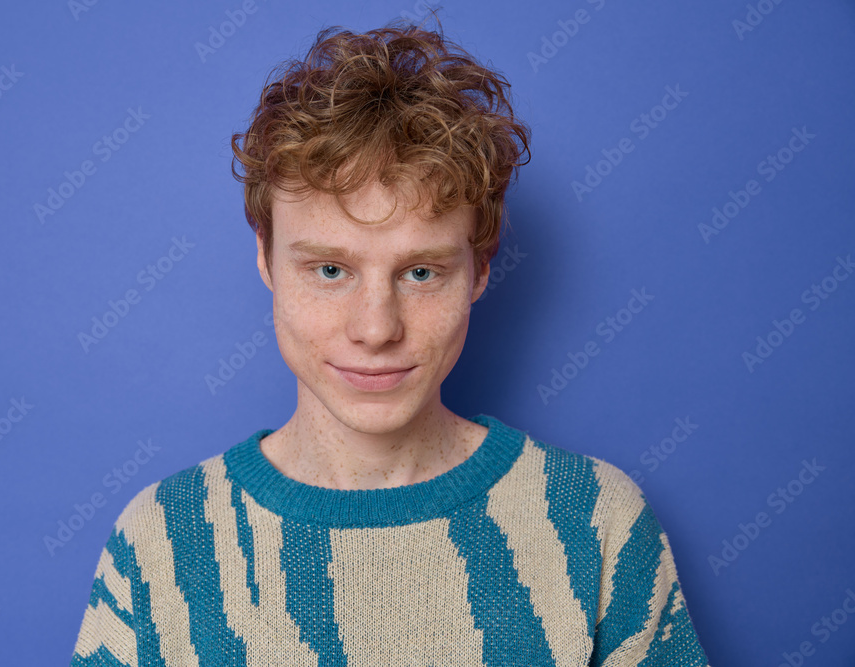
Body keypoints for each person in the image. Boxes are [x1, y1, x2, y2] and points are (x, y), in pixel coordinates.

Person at [69, 17, 711, 666]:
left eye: (421, 271)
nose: (376, 328)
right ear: (265, 260)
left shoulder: (595, 521)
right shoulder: (163, 540)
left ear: (481, 269)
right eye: (329, 269)